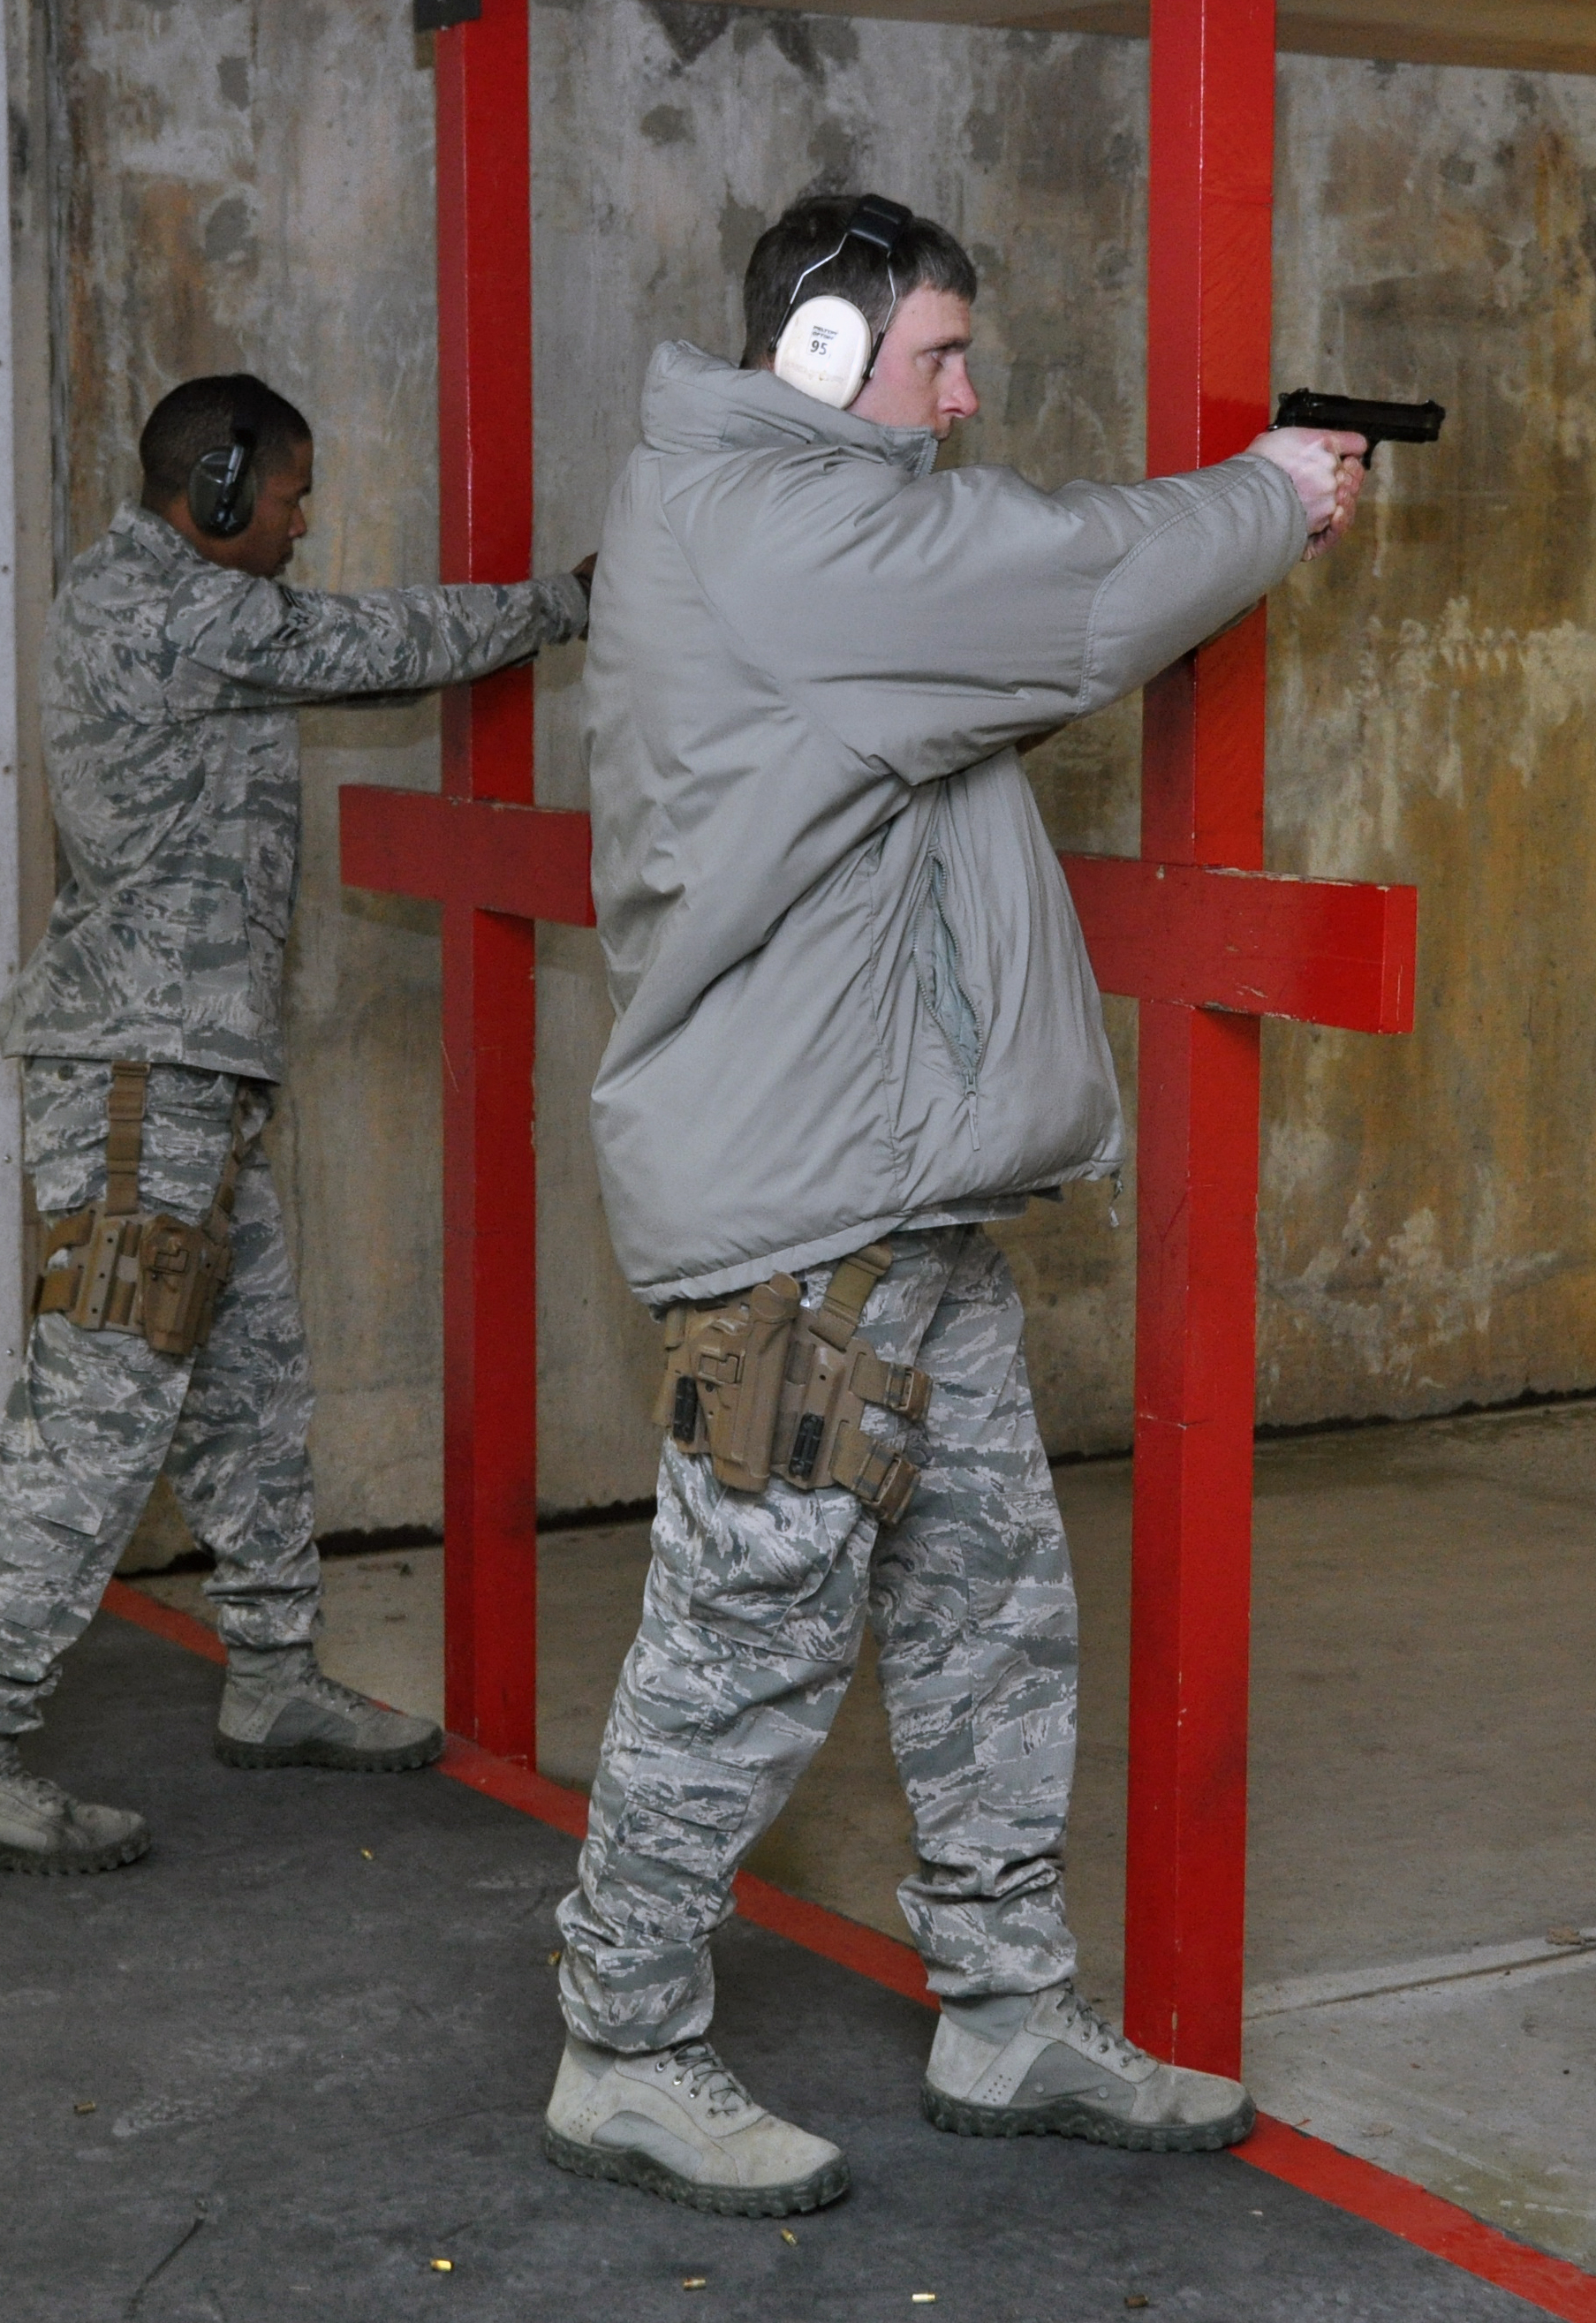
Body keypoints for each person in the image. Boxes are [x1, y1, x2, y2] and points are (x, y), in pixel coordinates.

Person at [541, 191, 1366, 2215]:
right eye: (937, 355)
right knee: (745, 1636)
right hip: (810, 1214)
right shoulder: (779, 529)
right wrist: (1267, 492)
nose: (968, 393)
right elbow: (1065, 582)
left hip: (906, 1194)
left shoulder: (802, 520)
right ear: (818, 356)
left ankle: (1004, 2002)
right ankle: (623, 2040)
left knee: (991, 1604)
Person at [0, 374, 591, 1873]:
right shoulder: (171, 609)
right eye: (284, 495)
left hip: (197, 1076)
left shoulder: (167, 601)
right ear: (213, 491)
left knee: (251, 1381)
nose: (297, 523)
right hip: (141, 1076)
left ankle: (274, 1678)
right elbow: (378, 646)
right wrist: (560, 605)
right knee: (97, 1411)